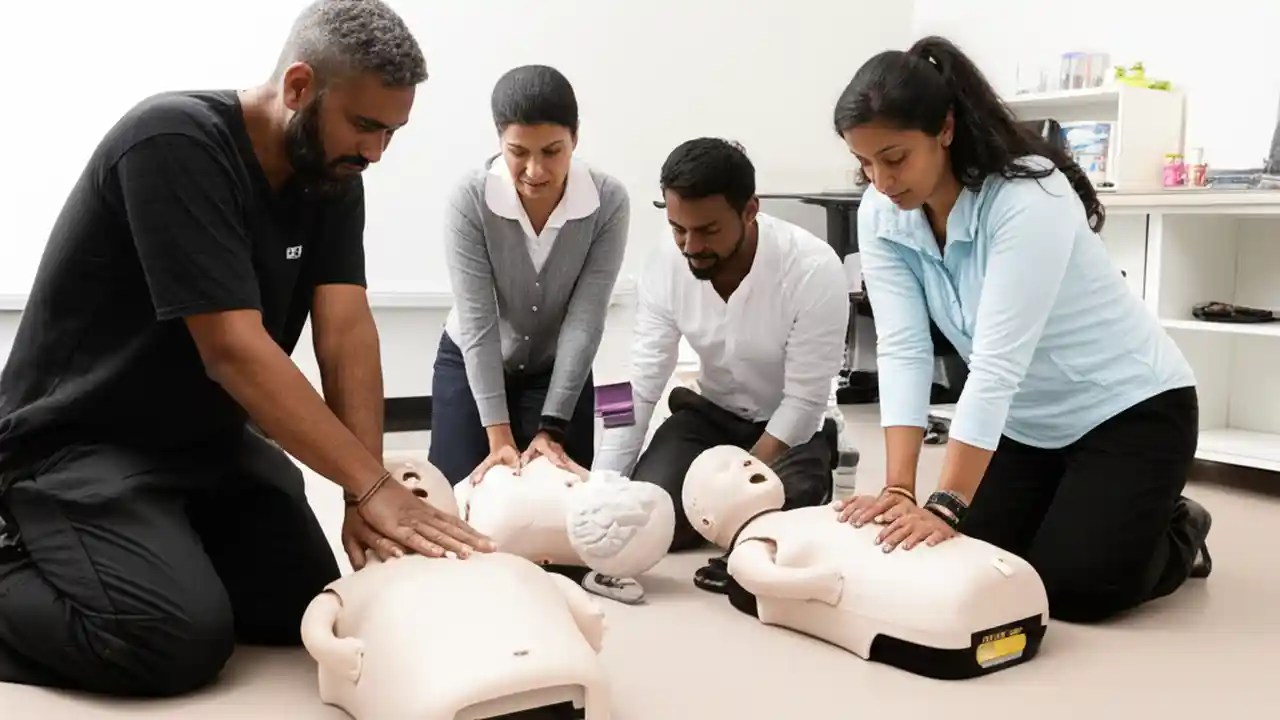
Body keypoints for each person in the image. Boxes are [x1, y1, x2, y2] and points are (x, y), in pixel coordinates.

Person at [0, 0, 491, 697]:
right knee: (174, 640)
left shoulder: (332, 178)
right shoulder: (172, 141)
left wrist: (364, 487)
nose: (377, 151)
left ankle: (149, 548)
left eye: (391, 132)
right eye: (364, 125)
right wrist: (371, 486)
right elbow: (232, 350)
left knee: (302, 606)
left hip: (203, 443)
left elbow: (346, 331)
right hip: (82, 442)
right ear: (298, 87)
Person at [830, 35, 1212, 623]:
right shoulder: (883, 212)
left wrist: (949, 500)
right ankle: (1102, 509)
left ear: (946, 130)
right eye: (865, 162)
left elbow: (995, 364)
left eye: (896, 157)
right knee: (983, 562)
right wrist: (900, 490)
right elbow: (904, 348)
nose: (880, 180)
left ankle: (1180, 526)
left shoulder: (1028, 195)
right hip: (1028, 423)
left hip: (1130, 411)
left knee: (1075, 588)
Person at [594, 138, 849, 575]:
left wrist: (732, 481)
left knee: (773, 533)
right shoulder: (663, 261)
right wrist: (601, 483)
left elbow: (805, 401)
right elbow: (635, 380)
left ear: (750, 210)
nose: (691, 245)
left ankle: (816, 479)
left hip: (790, 429)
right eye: (678, 228)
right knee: (650, 522)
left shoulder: (813, 269)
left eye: (708, 230)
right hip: (708, 415)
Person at [431, 64, 630, 487]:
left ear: (575, 138)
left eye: (552, 151)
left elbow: (586, 317)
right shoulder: (470, 198)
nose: (535, 170)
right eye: (518, 152)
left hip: (557, 365)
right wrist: (498, 434)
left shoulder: (608, 201)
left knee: (563, 501)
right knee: (460, 495)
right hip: (474, 357)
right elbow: (478, 321)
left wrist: (553, 426)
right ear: (499, 140)